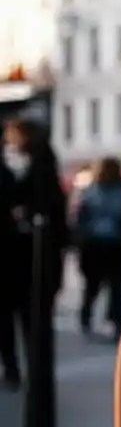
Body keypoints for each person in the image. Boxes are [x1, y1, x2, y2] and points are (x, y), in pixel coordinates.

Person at [0, 119, 66, 389]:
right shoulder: (6, 166)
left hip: (35, 255)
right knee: (5, 317)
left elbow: (53, 209)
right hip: (6, 253)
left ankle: (35, 367)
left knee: (35, 316)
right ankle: (12, 366)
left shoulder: (42, 164)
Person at [76, 157, 121, 338]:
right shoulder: (91, 191)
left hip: (113, 244)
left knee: (115, 287)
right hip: (96, 244)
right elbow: (81, 217)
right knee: (93, 286)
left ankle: (117, 320)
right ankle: (87, 317)